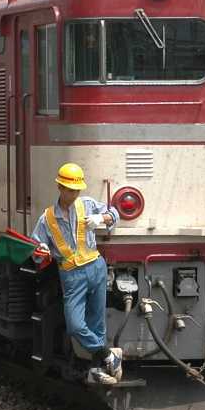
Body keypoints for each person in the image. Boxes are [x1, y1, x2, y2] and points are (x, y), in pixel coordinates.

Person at [31, 162, 123, 385]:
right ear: (60, 188)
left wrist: (102, 219)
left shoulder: (88, 205)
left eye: (77, 190)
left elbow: (114, 213)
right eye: (70, 190)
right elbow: (35, 251)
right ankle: (108, 355)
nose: (74, 194)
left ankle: (98, 369)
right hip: (71, 274)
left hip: (96, 267)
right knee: (75, 324)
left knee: (97, 323)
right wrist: (41, 251)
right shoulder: (47, 219)